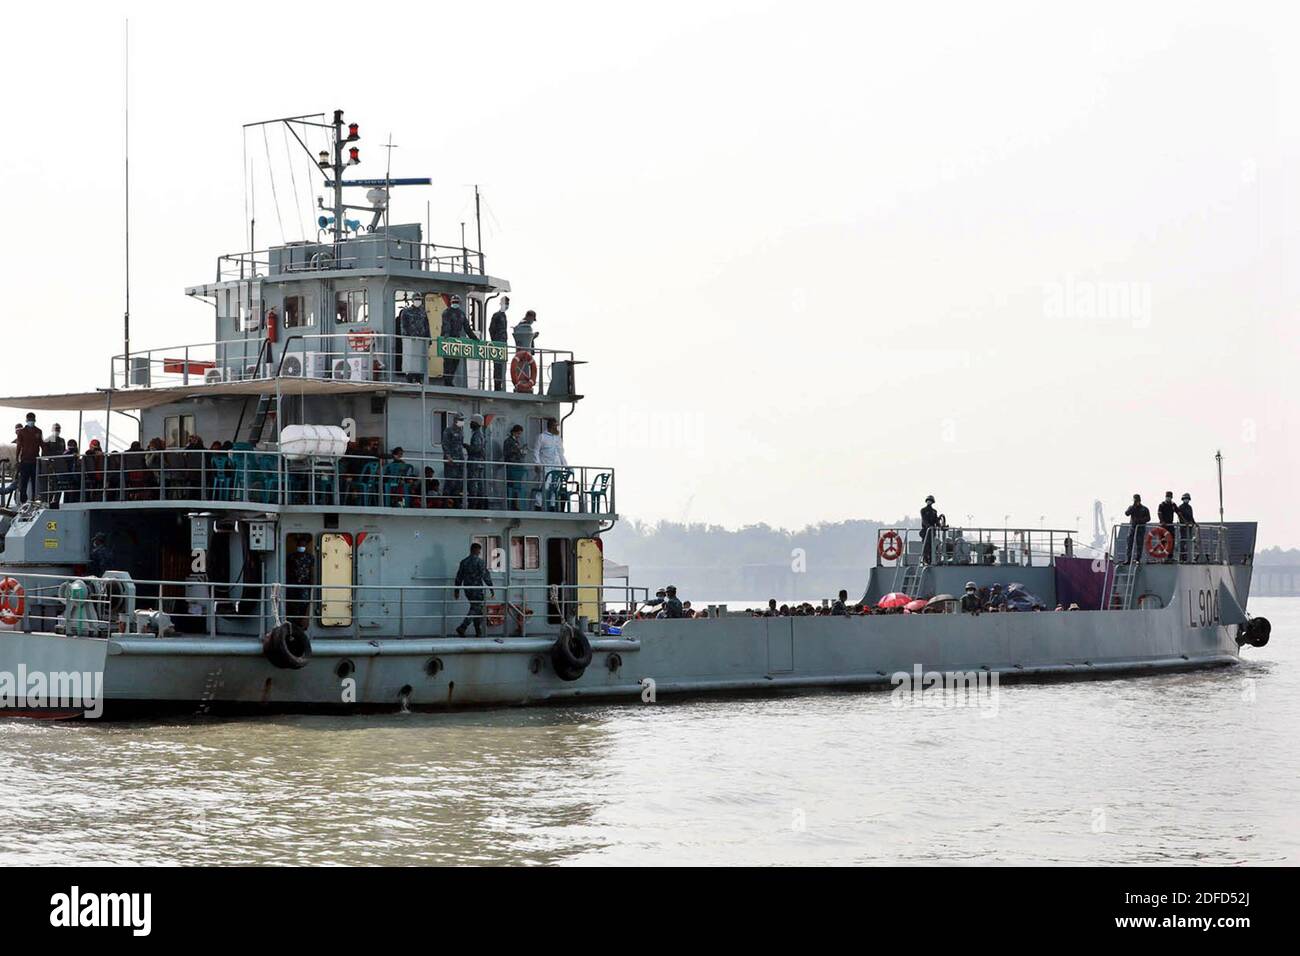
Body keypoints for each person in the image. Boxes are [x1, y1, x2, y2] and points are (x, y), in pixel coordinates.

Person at [453, 542, 494, 637]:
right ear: (477, 550)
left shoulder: (464, 562)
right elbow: (485, 576)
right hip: (477, 589)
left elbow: (459, 577)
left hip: (467, 589)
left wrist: (457, 590)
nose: (479, 553)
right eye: (479, 551)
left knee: (476, 608)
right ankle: (462, 627)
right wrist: (491, 587)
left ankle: (477, 631)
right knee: (477, 607)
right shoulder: (480, 562)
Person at [534, 418, 568, 511]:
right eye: (555, 425)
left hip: (556, 467)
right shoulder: (542, 437)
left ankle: (552, 505)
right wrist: (537, 464)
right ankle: (538, 505)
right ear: (550, 426)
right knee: (543, 486)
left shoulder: (558, 438)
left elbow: (561, 453)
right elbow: (536, 451)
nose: (557, 428)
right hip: (546, 466)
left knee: (555, 487)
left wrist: (565, 466)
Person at [440, 295, 474, 386]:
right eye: (454, 302)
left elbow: (467, 328)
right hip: (447, 340)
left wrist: (474, 338)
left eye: (456, 302)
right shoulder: (446, 312)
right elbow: (446, 325)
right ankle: (447, 382)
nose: (455, 303)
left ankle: (450, 380)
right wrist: (447, 337)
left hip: (457, 341)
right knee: (448, 362)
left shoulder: (461, 314)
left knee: (455, 361)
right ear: (451, 303)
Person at [15, 413, 43, 504]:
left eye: (32, 419)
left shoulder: (38, 431)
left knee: (35, 482)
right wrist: (17, 459)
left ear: (35, 419)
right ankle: (23, 501)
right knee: (24, 482)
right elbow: (19, 446)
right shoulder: (22, 432)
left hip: (35, 461)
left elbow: (42, 444)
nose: (31, 420)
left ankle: (35, 500)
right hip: (25, 461)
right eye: (29, 419)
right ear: (26, 420)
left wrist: (45, 458)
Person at [286, 543, 314, 630]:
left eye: (303, 543)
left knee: (303, 604)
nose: (301, 546)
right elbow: (287, 569)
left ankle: (300, 623)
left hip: (304, 584)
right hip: (292, 584)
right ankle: (292, 624)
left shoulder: (310, 557)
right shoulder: (291, 556)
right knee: (292, 604)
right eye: (300, 543)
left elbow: (312, 570)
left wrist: (312, 582)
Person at [441, 413, 467, 505]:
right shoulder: (448, 431)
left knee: (459, 482)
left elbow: (460, 445)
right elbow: (445, 444)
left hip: (459, 460)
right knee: (450, 481)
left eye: (463, 420)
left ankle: (456, 502)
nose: (462, 422)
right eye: (461, 420)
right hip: (451, 461)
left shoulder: (461, 431)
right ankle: (445, 502)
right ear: (456, 420)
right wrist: (448, 456)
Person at [503, 424, 529, 511]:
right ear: (514, 432)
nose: (519, 435)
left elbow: (518, 453)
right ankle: (512, 505)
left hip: (517, 467)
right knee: (511, 486)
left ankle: (515, 504)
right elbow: (507, 453)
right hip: (511, 466)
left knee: (516, 486)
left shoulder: (516, 441)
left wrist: (522, 451)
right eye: (518, 433)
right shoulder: (508, 441)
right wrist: (518, 450)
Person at [489, 296, 510, 391]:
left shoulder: (504, 316)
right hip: (498, 343)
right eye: (505, 303)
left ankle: (500, 384)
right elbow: (491, 329)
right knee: (497, 366)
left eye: (507, 304)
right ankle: (497, 386)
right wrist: (495, 341)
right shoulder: (496, 315)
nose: (506, 305)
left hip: (503, 344)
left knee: (502, 367)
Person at [467, 414, 488, 508]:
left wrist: (467, 447)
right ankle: (480, 502)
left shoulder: (477, 434)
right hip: (480, 462)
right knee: (479, 482)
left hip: (475, 462)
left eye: (472, 422)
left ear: (476, 423)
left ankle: (474, 503)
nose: (470, 423)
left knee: (473, 482)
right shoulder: (480, 434)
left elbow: (476, 448)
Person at [1124, 493, 1151, 563]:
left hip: (1140, 528)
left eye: (1137, 500)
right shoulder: (1131, 507)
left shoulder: (1144, 509)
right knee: (1129, 543)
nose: (1136, 502)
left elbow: (1148, 518)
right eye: (1135, 500)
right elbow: (1127, 513)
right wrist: (1133, 507)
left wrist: (1141, 520)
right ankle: (1128, 559)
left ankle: (1138, 559)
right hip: (1132, 528)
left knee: (1139, 544)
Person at [1177, 492, 1197, 562]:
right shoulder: (1180, 507)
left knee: (1189, 541)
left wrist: (1194, 523)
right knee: (1183, 541)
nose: (1186, 500)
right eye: (1185, 498)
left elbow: (1191, 516)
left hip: (1189, 527)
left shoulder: (1189, 507)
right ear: (1183, 499)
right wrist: (1185, 522)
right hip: (1183, 527)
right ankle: (1182, 557)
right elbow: (1180, 516)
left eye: (1187, 499)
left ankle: (1188, 556)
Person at [1157, 491, 1178, 559]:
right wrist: (1162, 521)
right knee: (1163, 540)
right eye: (1167, 496)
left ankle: (1170, 556)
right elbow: (1159, 513)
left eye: (1169, 496)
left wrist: (1184, 521)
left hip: (1170, 525)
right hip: (1163, 526)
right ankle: (1162, 556)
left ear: (1171, 497)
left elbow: (1178, 512)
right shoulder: (1162, 505)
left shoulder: (1173, 505)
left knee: (1171, 540)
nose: (1168, 497)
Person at [920, 494, 940, 564]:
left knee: (932, 547)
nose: (929, 502)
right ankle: (925, 560)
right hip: (926, 531)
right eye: (928, 500)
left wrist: (939, 523)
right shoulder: (923, 510)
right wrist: (928, 526)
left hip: (932, 532)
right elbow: (924, 520)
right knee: (926, 546)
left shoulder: (934, 511)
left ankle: (931, 560)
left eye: (930, 501)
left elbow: (936, 521)